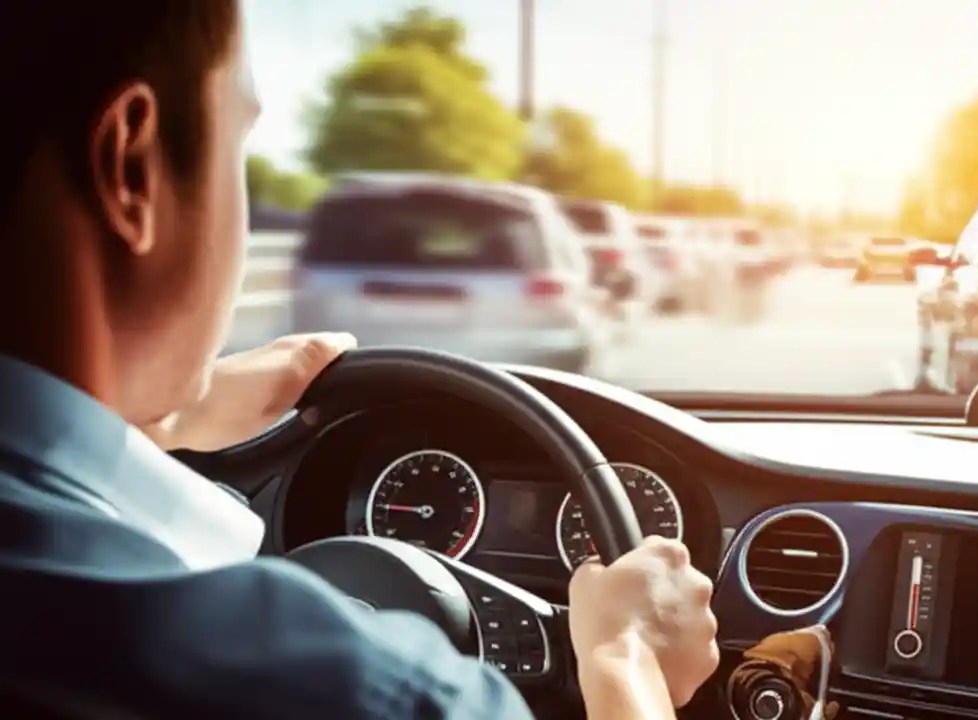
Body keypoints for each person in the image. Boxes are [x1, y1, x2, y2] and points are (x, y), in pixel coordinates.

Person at [0, 2, 718, 718]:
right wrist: (626, 663)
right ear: (131, 167)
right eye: (237, 152)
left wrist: (148, 421)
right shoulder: (357, 691)